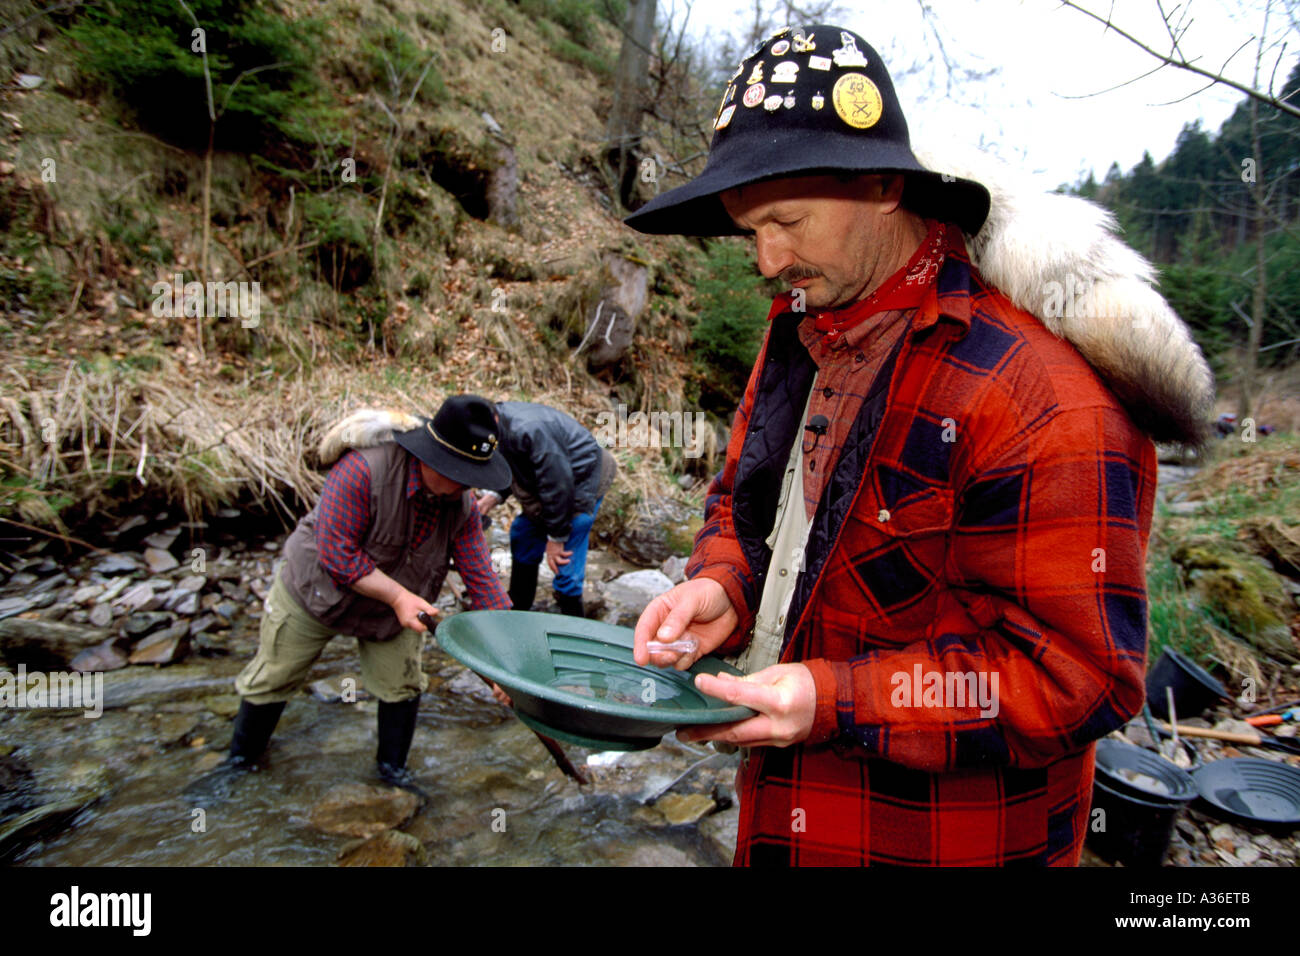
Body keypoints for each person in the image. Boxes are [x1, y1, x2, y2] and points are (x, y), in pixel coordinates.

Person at [625, 25, 1214, 865]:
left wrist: (836, 699)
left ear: (885, 185)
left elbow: (1078, 678)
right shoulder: (800, 331)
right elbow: (744, 502)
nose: (767, 260)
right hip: (786, 821)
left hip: (946, 844)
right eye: (745, 227)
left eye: (788, 221)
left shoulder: (1042, 398)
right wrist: (724, 582)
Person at [218, 396, 513, 793]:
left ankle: (392, 776)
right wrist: (396, 596)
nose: (465, 485)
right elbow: (337, 555)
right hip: (315, 592)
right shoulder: (362, 470)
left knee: (402, 685)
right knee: (274, 677)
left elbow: (483, 583)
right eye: (458, 471)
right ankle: (239, 764)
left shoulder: (461, 509)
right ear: (429, 456)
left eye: (472, 474)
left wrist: (506, 664)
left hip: (395, 612)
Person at [475, 401, 617, 618]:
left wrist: (556, 537)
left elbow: (558, 484)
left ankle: (573, 624)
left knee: (563, 560)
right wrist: (492, 497)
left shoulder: (529, 430)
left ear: (492, 419)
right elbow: (513, 466)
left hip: (583, 480)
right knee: (522, 533)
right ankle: (519, 610)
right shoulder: (494, 431)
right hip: (549, 484)